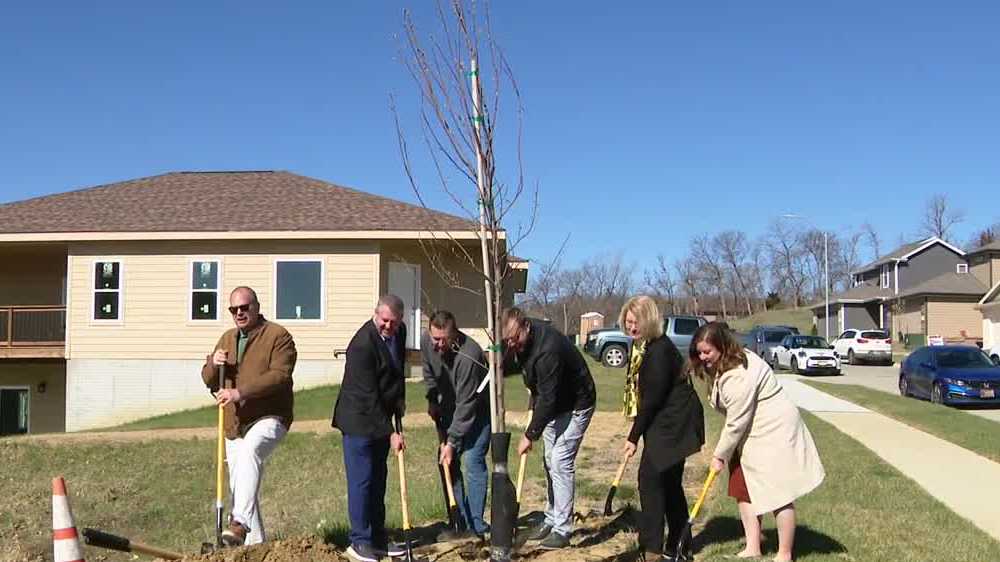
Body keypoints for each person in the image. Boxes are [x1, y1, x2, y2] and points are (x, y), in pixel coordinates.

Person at [690, 322, 825, 562]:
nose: (703, 357)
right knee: (743, 488)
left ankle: (784, 554)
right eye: (699, 352)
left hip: (773, 431)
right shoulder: (725, 365)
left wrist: (719, 456)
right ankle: (753, 546)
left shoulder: (738, 374)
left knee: (778, 492)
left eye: (707, 352)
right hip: (751, 431)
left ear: (721, 346)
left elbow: (736, 423)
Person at [200, 286, 296, 546]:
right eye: (234, 309)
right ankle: (255, 547)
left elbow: (279, 376)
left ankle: (240, 521)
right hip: (235, 423)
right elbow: (208, 379)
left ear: (256, 307)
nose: (239, 313)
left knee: (250, 451)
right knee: (241, 485)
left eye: (244, 307)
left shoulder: (278, 336)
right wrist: (213, 363)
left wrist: (239, 392)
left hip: (270, 416)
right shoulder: (227, 339)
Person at [618, 296, 705, 561]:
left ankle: (653, 549)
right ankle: (679, 546)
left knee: (651, 481)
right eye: (628, 322)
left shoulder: (658, 351)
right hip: (667, 421)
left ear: (650, 320)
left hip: (675, 423)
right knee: (668, 484)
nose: (632, 327)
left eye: (637, 322)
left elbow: (652, 400)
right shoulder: (648, 346)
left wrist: (633, 437)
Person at [504, 307, 596, 550]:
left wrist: (529, 435)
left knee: (560, 461)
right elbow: (530, 379)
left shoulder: (548, 349)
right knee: (548, 459)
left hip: (577, 404)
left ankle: (562, 530)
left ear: (526, 326)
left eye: (515, 338)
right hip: (555, 404)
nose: (512, 343)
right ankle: (552, 517)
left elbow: (548, 398)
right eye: (508, 340)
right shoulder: (519, 341)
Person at [332, 295, 409, 562]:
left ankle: (378, 538)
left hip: (380, 417)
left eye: (393, 322)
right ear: (375, 314)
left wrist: (400, 402)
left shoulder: (399, 333)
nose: (388, 326)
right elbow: (368, 397)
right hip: (358, 419)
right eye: (384, 320)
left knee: (378, 479)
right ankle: (360, 542)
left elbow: (398, 372)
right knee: (362, 481)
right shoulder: (361, 346)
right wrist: (391, 433)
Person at [421, 310, 491, 541]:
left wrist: (451, 442)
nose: (439, 344)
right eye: (436, 339)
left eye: (444, 339)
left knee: (472, 459)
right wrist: (432, 400)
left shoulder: (469, 355)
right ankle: (458, 521)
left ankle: (476, 526)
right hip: (450, 408)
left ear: (455, 334)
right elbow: (429, 372)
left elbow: (466, 405)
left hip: (477, 411)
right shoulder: (427, 341)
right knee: (446, 462)